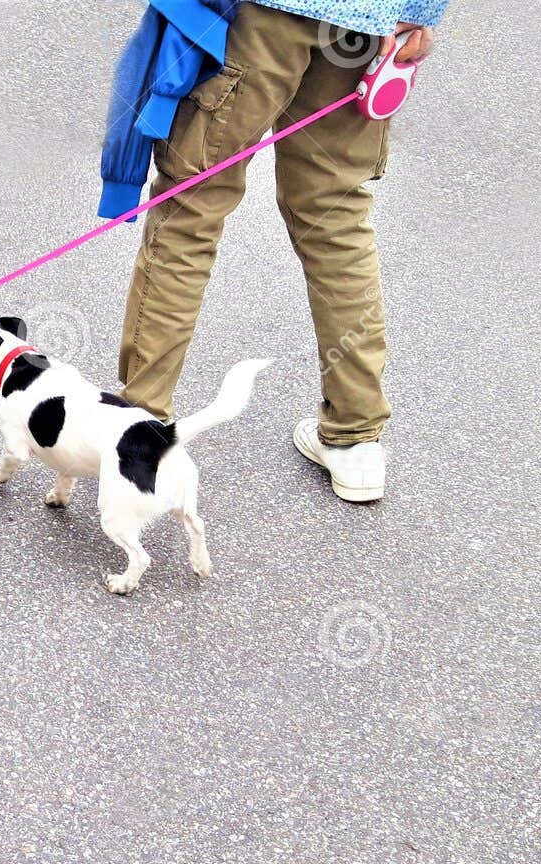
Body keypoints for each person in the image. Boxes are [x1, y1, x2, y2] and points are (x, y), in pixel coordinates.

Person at [117, 1, 447, 502]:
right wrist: (422, 10)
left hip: (260, 14)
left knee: (190, 213)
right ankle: (355, 440)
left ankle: (142, 427)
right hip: (364, 23)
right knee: (335, 218)